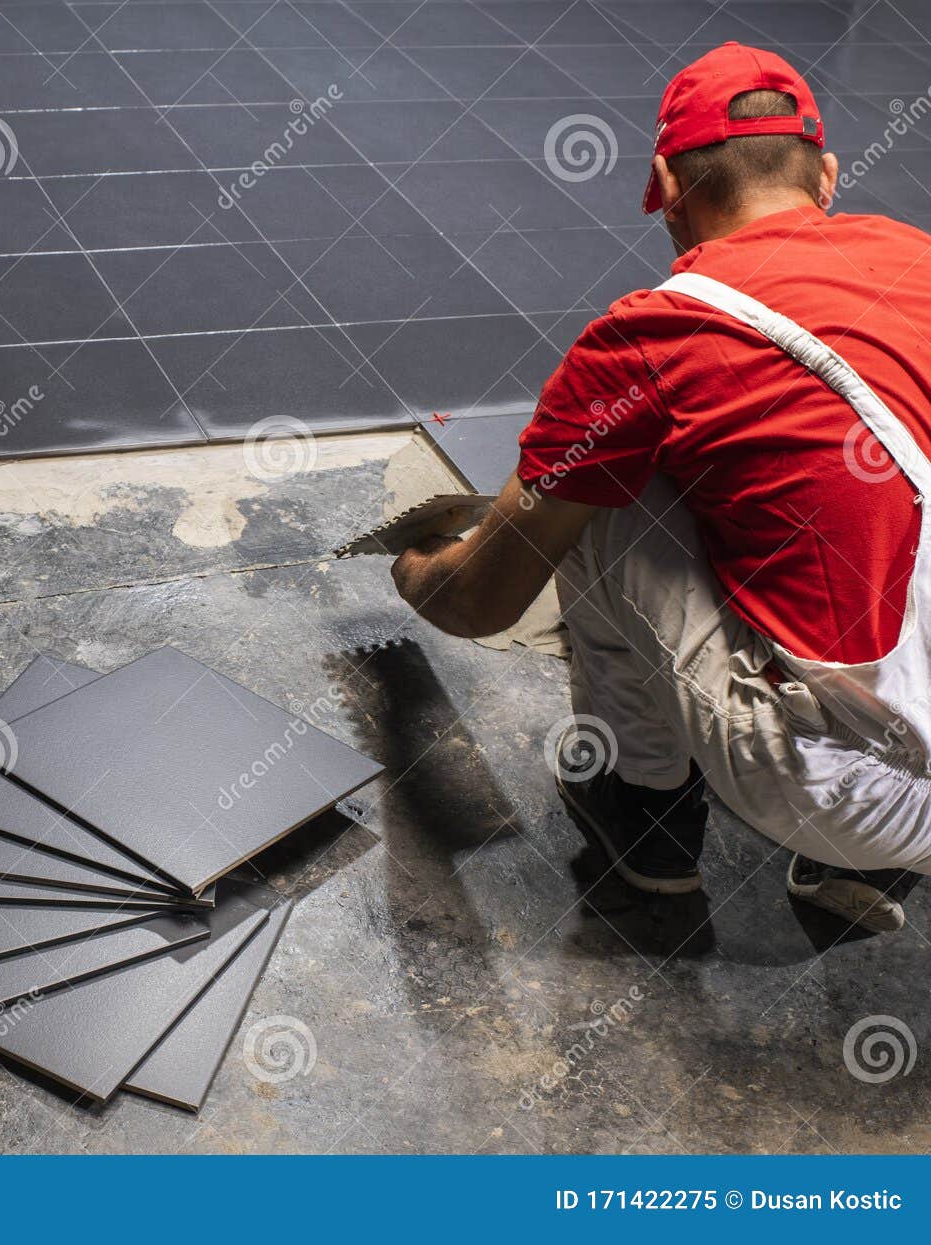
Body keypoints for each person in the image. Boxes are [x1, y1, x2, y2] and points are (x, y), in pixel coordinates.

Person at [391, 42, 929, 933]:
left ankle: (644, 813)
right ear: (827, 177)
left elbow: (482, 600)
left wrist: (416, 569)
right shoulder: (912, 255)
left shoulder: (654, 336)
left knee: (605, 498)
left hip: (853, 790)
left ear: (668, 189)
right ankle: (860, 864)